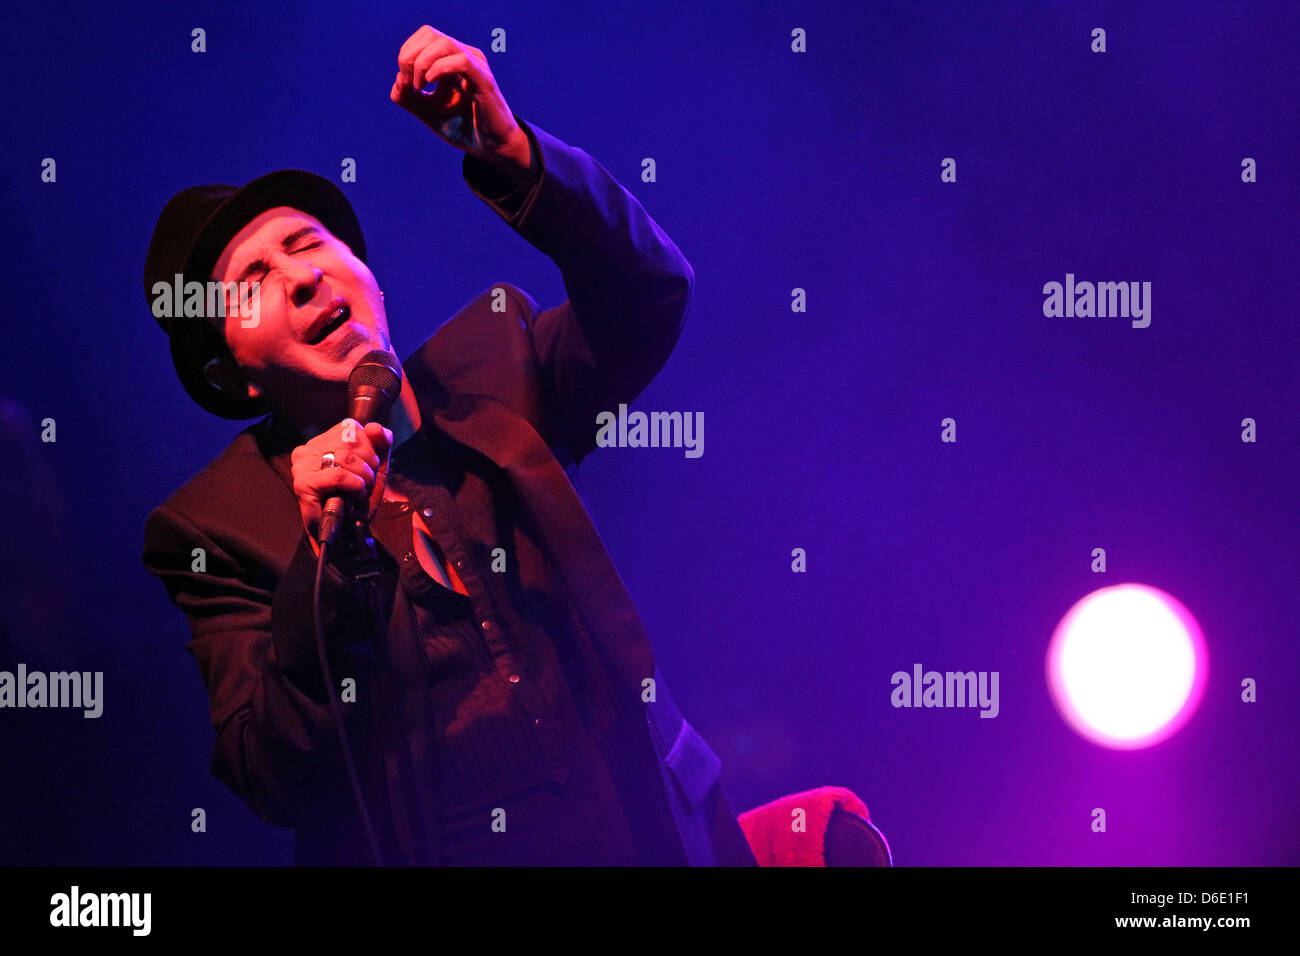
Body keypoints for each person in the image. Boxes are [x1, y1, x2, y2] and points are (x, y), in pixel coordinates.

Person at [141, 24, 756, 866]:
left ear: (367, 274)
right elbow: (273, 773)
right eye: (254, 283)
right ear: (235, 375)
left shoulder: (496, 360)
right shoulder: (214, 525)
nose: (303, 275)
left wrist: (512, 154)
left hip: (648, 833)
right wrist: (324, 559)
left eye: (309, 243)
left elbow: (649, 293)